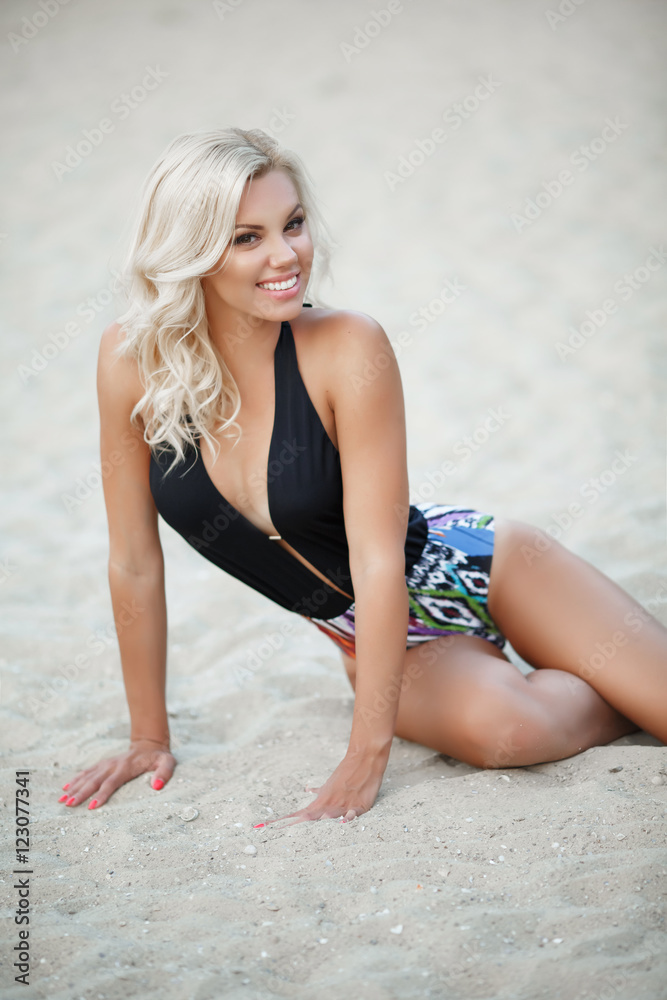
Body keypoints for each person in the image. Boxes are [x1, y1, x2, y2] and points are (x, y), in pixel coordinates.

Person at [59, 127, 667, 825]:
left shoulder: (347, 345)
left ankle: (625, 675)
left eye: (292, 224)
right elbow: (133, 563)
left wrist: (364, 754)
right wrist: (148, 737)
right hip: (370, 639)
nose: (286, 255)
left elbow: (379, 561)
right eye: (246, 238)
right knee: (508, 733)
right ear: (191, 253)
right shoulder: (130, 362)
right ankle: (612, 689)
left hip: (479, 567)